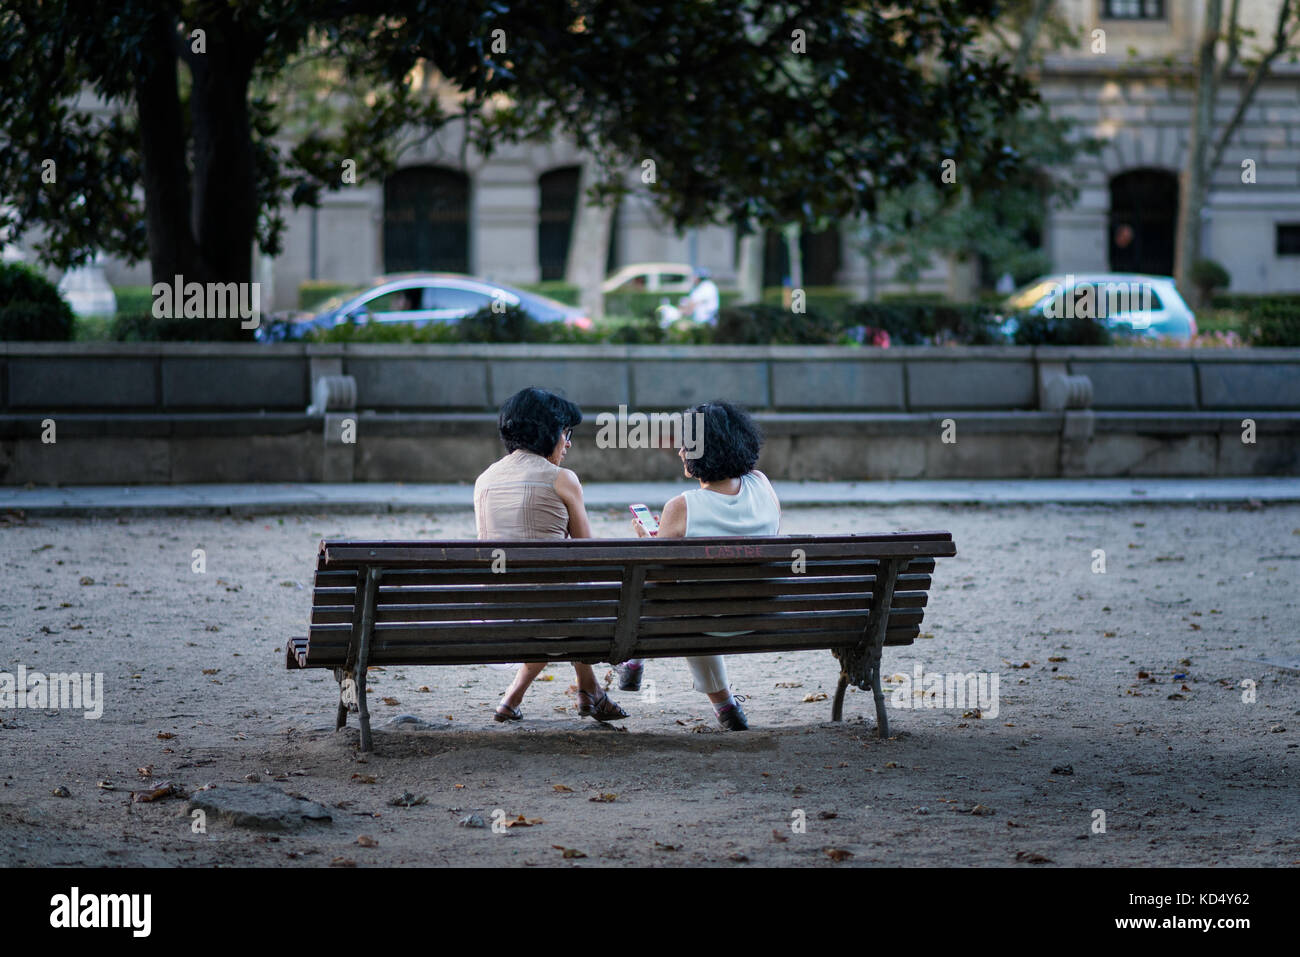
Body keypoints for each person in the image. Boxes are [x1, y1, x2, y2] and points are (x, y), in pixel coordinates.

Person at [625, 400, 781, 730]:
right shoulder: (763, 485)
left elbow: (657, 582)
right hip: (761, 614)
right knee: (699, 600)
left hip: (708, 622)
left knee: (685, 603)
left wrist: (646, 539)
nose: (681, 452)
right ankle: (725, 707)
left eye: (685, 444)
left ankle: (637, 657)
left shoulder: (681, 507)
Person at [475, 387, 628, 723]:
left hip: (497, 612)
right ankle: (589, 692)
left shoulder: (484, 480)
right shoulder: (562, 480)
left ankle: (564, 694)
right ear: (549, 432)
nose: (568, 443)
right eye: (566, 433)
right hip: (551, 613)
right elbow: (589, 553)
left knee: (557, 599)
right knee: (570, 600)